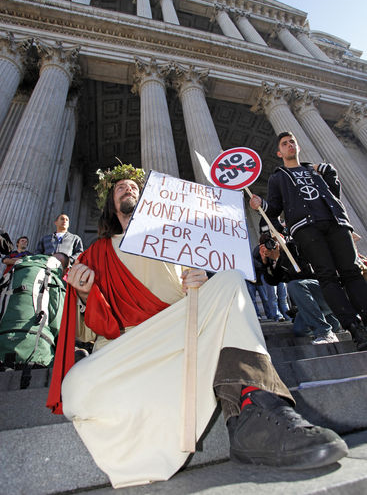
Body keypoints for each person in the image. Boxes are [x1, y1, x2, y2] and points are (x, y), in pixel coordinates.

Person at [46, 164, 347, 489]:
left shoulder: (176, 237)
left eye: (133, 186)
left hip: (180, 333)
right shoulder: (95, 254)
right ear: (110, 204)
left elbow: (203, 292)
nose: (128, 189)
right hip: (129, 346)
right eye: (120, 188)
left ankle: (253, 406)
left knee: (230, 280)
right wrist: (84, 293)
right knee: (75, 389)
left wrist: (201, 282)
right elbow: (85, 334)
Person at [250, 131, 367, 351]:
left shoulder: (316, 171)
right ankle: (354, 328)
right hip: (305, 228)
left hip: (335, 222)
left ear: (298, 147)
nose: (289, 145)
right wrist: (261, 206)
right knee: (327, 276)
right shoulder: (278, 177)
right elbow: (274, 209)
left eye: (292, 142)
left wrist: (328, 171)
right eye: (284, 144)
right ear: (279, 152)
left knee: (352, 271)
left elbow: (334, 194)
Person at [259, 233, 341, 344]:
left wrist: (283, 250)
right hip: (311, 300)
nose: (273, 245)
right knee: (300, 330)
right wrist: (265, 263)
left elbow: (303, 273)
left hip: (325, 289)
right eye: (268, 244)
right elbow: (273, 281)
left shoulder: (295, 248)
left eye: (274, 240)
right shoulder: (276, 262)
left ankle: (324, 333)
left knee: (294, 285)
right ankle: (333, 322)